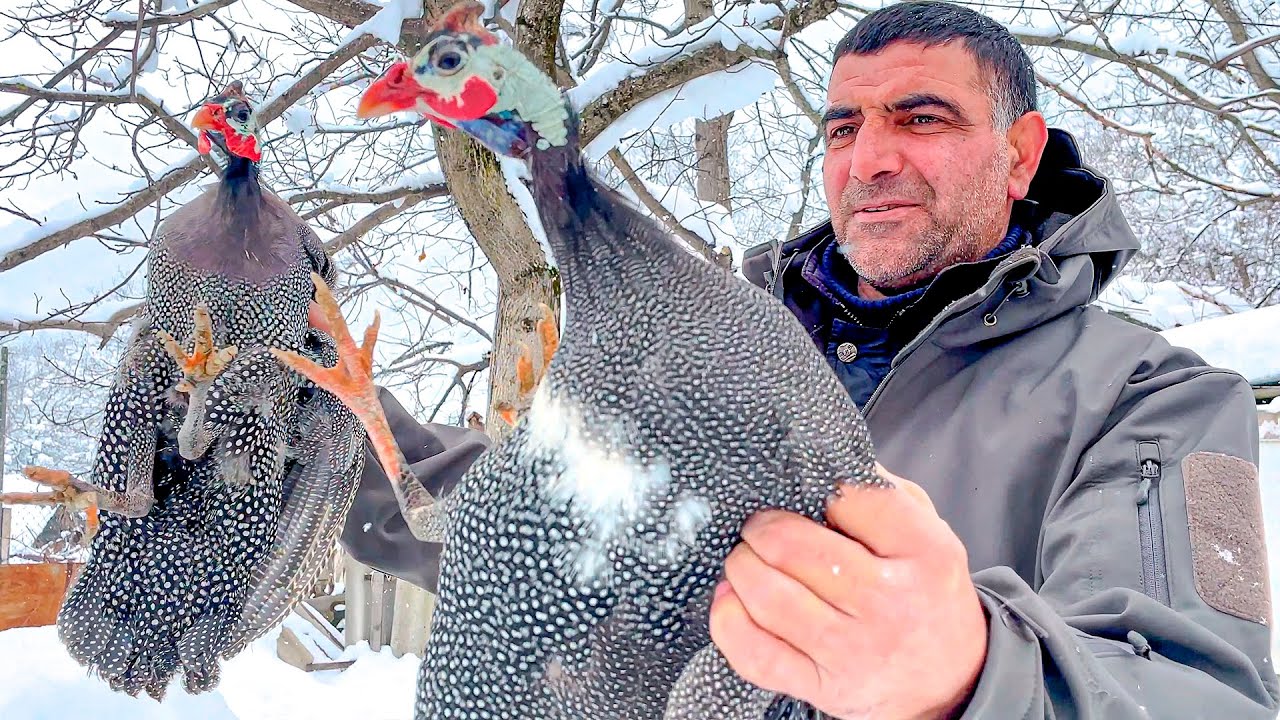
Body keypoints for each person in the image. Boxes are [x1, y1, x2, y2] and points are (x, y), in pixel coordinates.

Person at [340, 2, 1279, 716]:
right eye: (842, 128)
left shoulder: (1157, 401)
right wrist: (328, 442)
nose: (868, 158)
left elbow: (1208, 695)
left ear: (1020, 154)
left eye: (922, 119)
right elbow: (560, 536)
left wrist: (967, 673)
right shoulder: (701, 334)